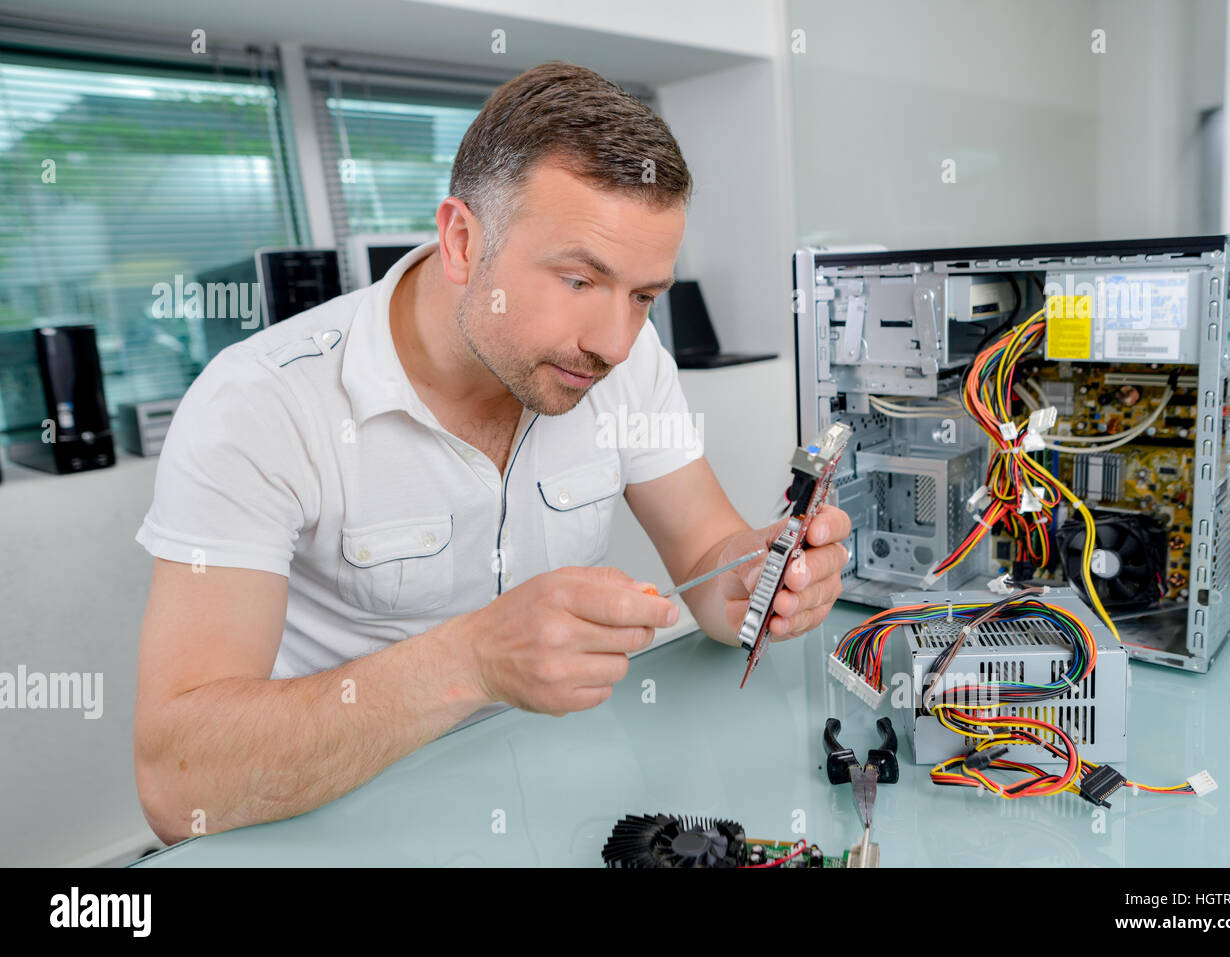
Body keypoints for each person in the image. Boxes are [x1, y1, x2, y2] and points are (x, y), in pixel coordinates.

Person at [133, 62, 850, 844]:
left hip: (562, 800)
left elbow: (710, 560)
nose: (615, 341)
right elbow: (179, 780)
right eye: (579, 279)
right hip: (344, 819)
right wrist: (471, 661)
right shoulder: (260, 404)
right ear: (462, 241)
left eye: (646, 296)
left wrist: (759, 580)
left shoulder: (628, 361)